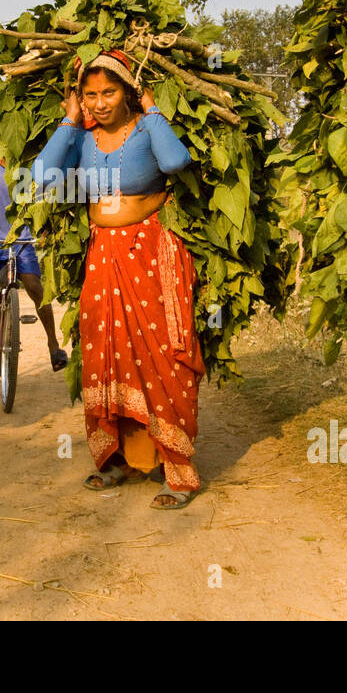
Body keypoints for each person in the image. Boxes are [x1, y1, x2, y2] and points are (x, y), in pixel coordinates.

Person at [34, 49, 204, 509]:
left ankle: (178, 469)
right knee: (104, 348)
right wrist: (70, 119)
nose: (100, 102)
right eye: (91, 94)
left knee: (159, 353)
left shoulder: (148, 127)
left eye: (109, 92)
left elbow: (175, 162)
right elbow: (42, 175)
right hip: (103, 255)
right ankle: (116, 460)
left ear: (127, 91)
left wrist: (151, 108)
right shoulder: (82, 137)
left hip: (149, 252)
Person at [0, 143, 68, 378]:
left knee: (36, 288)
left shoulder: (27, 169)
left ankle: (54, 347)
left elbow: (42, 203)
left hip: (22, 241)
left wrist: (44, 233)